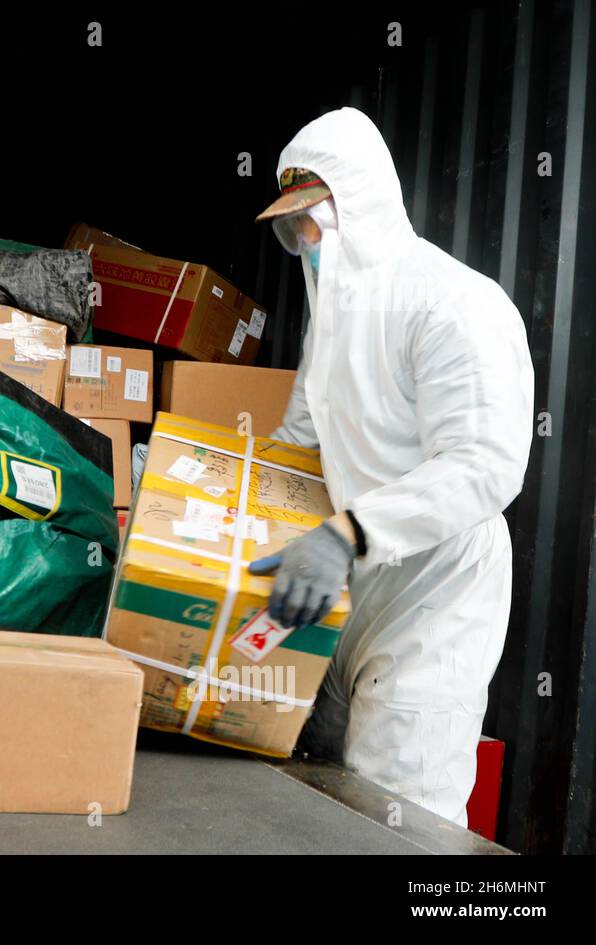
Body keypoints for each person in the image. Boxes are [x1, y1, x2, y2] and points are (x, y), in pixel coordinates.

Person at [247, 107, 534, 826]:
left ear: (360, 204)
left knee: (397, 805)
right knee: (316, 778)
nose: (303, 245)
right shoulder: (334, 316)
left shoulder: (453, 303)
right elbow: (296, 440)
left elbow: (486, 463)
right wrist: (210, 499)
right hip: (352, 575)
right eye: (290, 231)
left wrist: (346, 532)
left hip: (437, 588)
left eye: (310, 222)